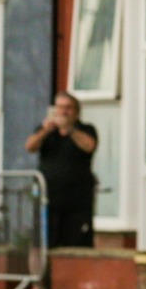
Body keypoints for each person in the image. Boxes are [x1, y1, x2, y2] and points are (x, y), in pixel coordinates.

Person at [24, 91, 99, 249]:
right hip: (48, 200)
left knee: (76, 245)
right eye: (60, 108)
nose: (63, 112)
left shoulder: (86, 129)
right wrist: (45, 131)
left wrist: (70, 130)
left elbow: (89, 146)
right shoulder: (46, 131)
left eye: (68, 108)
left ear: (76, 111)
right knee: (44, 245)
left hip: (77, 203)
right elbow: (30, 146)